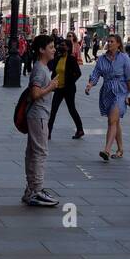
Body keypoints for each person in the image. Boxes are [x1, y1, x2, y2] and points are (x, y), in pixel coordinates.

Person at [21, 34, 60, 207]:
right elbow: (35, 93)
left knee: (33, 152)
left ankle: (31, 189)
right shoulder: (39, 68)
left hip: (39, 115)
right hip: (39, 115)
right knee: (40, 152)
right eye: (51, 47)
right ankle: (36, 190)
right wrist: (50, 87)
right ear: (41, 50)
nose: (54, 50)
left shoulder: (42, 67)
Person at [86, 33, 130, 161]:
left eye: (112, 41)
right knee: (115, 121)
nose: (109, 43)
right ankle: (120, 149)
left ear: (118, 44)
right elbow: (96, 73)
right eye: (108, 41)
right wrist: (90, 85)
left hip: (121, 91)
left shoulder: (125, 58)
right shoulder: (102, 59)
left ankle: (107, 150)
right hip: (107, 91)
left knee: (111, 121)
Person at [47, 39, 85, 140]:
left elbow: (78, 73)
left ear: (68, 47)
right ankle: (48, 132)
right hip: (58, 89)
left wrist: (70, 82)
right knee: (53, 110)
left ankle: (80, 130)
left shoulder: (71, 59)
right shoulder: (58, 58)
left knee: (72, 109)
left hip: (68, 89)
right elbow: (52, 70)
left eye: (63, 45)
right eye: (60, 45)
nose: (60, 47)